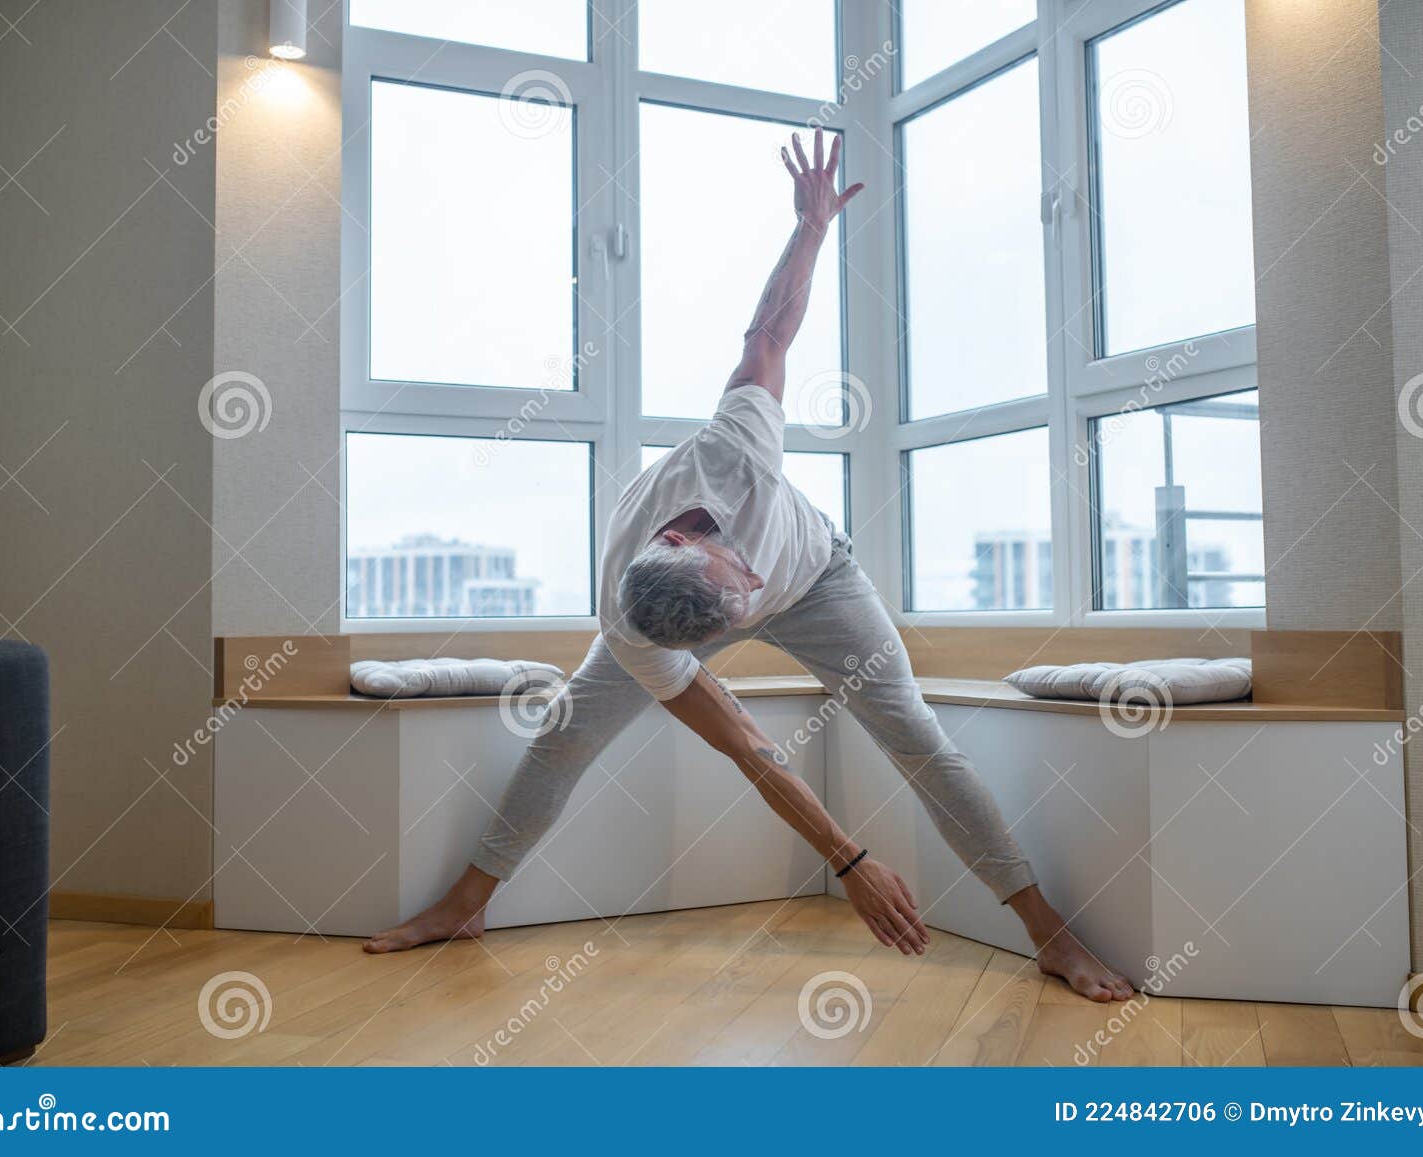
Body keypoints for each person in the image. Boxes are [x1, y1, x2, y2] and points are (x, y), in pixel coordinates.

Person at [366, 129, 1132, 1003]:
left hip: (824, 579)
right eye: (737, 609)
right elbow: (752, 748)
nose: (751, 599)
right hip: (676, 618)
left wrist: (810, 229)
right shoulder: (636, 627)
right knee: (568, 733)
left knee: (919, 740)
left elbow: (771, 328)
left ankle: (1052, 935)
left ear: (690, 538)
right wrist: (848, 859)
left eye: (738, 591)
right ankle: (464, 905)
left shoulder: (733, 454)